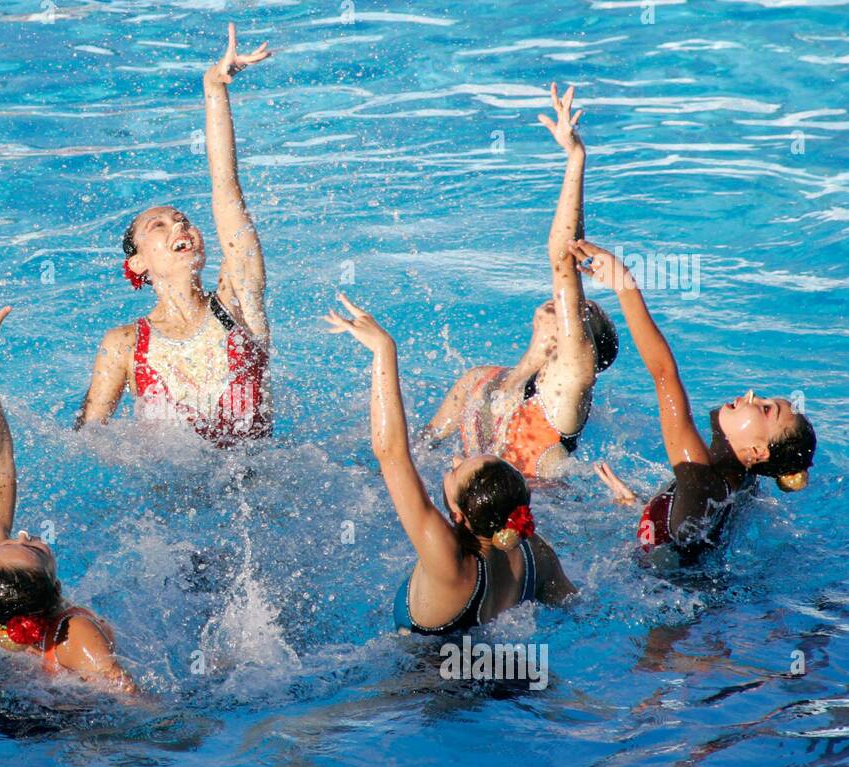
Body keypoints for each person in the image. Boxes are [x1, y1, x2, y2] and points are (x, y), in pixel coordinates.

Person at [326, 293, 575, 633]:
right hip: (503, 678)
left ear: (459, 514)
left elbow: (391, 454)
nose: (455, 457)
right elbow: (576, 608)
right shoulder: (534, 551)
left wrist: (384, 349)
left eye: (457, 468)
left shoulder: (448, 558)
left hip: (428, 679)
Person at [76, 24, 272, 446]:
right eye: (158, 226)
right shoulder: (124, 345)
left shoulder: (238, 301)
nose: (179, 226)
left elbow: (226, 190)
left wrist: (215, 89)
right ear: (138, 264)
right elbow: (88, 440)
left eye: (182, 218)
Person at [574, 238, 817, 566]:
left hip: (660, 600)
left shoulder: (701, 478)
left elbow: (663, 374)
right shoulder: (740, 481)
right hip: (689, 597)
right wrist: (641, 505)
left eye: (764, 408)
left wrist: (624, 283)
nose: (749, 394)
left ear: (758, 452)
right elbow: (690, 536)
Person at [424, 84, 618, 478]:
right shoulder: (477, 380)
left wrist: (575, 158)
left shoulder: (560, 394)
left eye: (582, 315)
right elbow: (423, 448)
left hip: (544, 517)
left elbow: (563, 258)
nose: (574, 307)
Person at [0, 277, 136, 691]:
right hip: (60, 723)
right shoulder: (76, 634)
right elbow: (131, 701)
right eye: (31, 546)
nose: (22, 533)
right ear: (55, 588)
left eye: (11, 541)